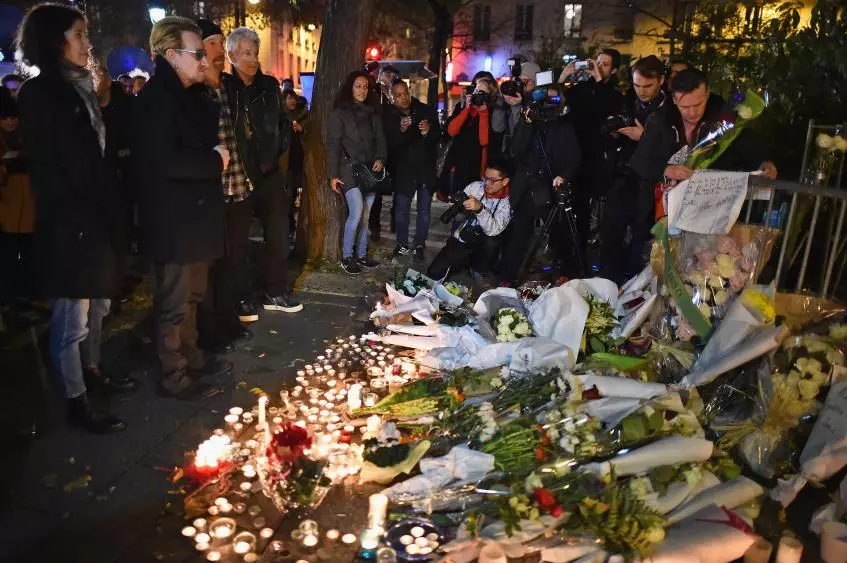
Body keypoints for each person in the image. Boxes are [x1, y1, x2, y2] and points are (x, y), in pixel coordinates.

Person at [17, 2, 137, 433]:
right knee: (72, 317)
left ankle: (93, 370)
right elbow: (63, 164)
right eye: (80, 34)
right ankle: (74, 399)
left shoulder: (82, 88)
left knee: (99, 305)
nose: (88, 43)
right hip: (72, 224)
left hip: (99, 218)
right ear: (55, 41)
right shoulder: (41, 93)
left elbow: (106, 151)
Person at [134, 16, 231, 400]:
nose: (205, 60)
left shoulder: (189, 95)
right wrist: (214, 162)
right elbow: (165, 161)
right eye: (197, 54)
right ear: (171, 55)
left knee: (192, 296)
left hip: (194, 220)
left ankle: (191, 358)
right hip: (175, 221)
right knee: (174, 303)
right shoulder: (157, 99)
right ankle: (172, 373)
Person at [630, 68, 778, 264]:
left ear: (707, 93)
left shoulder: (726, 119)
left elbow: (747, 146)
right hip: (663, 212)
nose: (692, 112)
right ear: (674, 100)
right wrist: (667, 169)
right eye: (684, 106)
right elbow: (640, 161)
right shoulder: (660, 120)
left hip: (710, 211)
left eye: (698, 104)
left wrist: (763, 163)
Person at [221, 26, 300, 322]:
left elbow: (283, 123)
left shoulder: (268, 86)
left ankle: (275, 291)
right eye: (245, 53)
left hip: (268, 172)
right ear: (231, 55)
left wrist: (276, 151)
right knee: (238, 240)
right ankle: (241, 296)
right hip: (240, 174)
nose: (251, 58)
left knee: (279, 234)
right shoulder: (226, 88)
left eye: (254, 52)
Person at [193, 18, 254, 353]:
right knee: (211, 264)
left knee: (235, 259)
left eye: (220, 43)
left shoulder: (230, 86)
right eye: (212, 43)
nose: (218, 50)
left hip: (239, 187)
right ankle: (209, 328)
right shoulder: (195, 89)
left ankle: (228, 317)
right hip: (211, 189)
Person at [499, 85, 582, 284]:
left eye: (553, 100)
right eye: (543, 100)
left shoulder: (564, 125)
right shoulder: (528, 120)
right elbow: (516, 151)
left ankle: (566, 274)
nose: (548, 105)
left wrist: (563, 176)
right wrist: (527, 122)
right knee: (519, 234)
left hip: (551, 186)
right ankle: (508, 277)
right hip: (527, 186)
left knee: (558, 234)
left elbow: (573, 157)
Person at [598, 55, 668, 283]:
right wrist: (615, 132)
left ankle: (635, 285)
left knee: (641, 238)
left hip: (651, 182)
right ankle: (609, 282)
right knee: (611, 231)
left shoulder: (670, 110)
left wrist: (644, 138)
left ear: (661, 80)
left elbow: (673, 149)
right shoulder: (629, 100)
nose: (642, 91)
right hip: (623, 175)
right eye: (637, 85)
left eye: (648, 86)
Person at [326, 70, 387, 275]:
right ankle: (347, 256)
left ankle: (361, 255)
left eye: (365, 86)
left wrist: (380, 158)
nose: (362, 90)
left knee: (367, 215)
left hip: (369, 168)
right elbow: (333, 144)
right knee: (356, 212)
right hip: (348, 169)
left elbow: (380, 139)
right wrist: (333, 174)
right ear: (350, 88)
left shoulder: (373, 113)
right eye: (358, 86)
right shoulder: (339, 113)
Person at [427, 158, 514, 281]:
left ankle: (479, 269)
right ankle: (463, 263)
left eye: (493, 180)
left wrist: (480, 209)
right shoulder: (475, 187)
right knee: (433, 273)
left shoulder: (507, 203)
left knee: (492, 242)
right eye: (485, 178)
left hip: (483, 244)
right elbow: (455, 212)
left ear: (505, 181)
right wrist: (460, 205)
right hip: (463, 238)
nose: (487, 183)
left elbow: (493, 230)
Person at [383, 80, 440, 262]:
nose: (404, 98)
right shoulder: (389, 115)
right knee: (401, 210)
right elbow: (388, 145)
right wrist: (401, 130)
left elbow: (438, 137)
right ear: (392, 98)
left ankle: (420, 245)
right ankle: (401, 244)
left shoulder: (425, 110)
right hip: (403, 170)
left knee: (424, 210)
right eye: (398, 95)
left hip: (425, 169)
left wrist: (427, 132)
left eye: (405, 93)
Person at [0, 86, 35, 303]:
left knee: (28, 257)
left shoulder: (28, 139)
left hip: (29, 212)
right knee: (8, 258)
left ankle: (25, 292)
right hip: (6, 214)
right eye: (4, 118)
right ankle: (8, 294)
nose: (11, 122)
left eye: (14, 117)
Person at [440, 77, 502, 197]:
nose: (477, 94)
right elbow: (451, 131)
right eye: (476, 90)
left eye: (482, 93)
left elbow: (484, 141)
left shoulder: (492, 112)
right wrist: (466, 110)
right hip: (458, 165)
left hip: (476, 167)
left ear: (490, 97)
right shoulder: (464, 107)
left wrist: (483, 112)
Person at [368, 64, 401, 241]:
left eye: (393, 78)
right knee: (376, 189)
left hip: (391, 148)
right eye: (389, 77)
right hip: (376, 147)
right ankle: (374, 225)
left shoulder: (393, 96)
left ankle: (389, 219)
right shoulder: (375, 93)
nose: (390, 81)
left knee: (391, 186)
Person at [282, 88, 308, 245]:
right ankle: (290, 228)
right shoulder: (281, 117)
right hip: (287, 165)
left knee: (303, 197)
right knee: (288, 199)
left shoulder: (303, 116)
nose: (292, 101)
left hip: (302, 163)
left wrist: (302, 129)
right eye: (288, 98)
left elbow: (310, 134)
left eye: (293, 98)